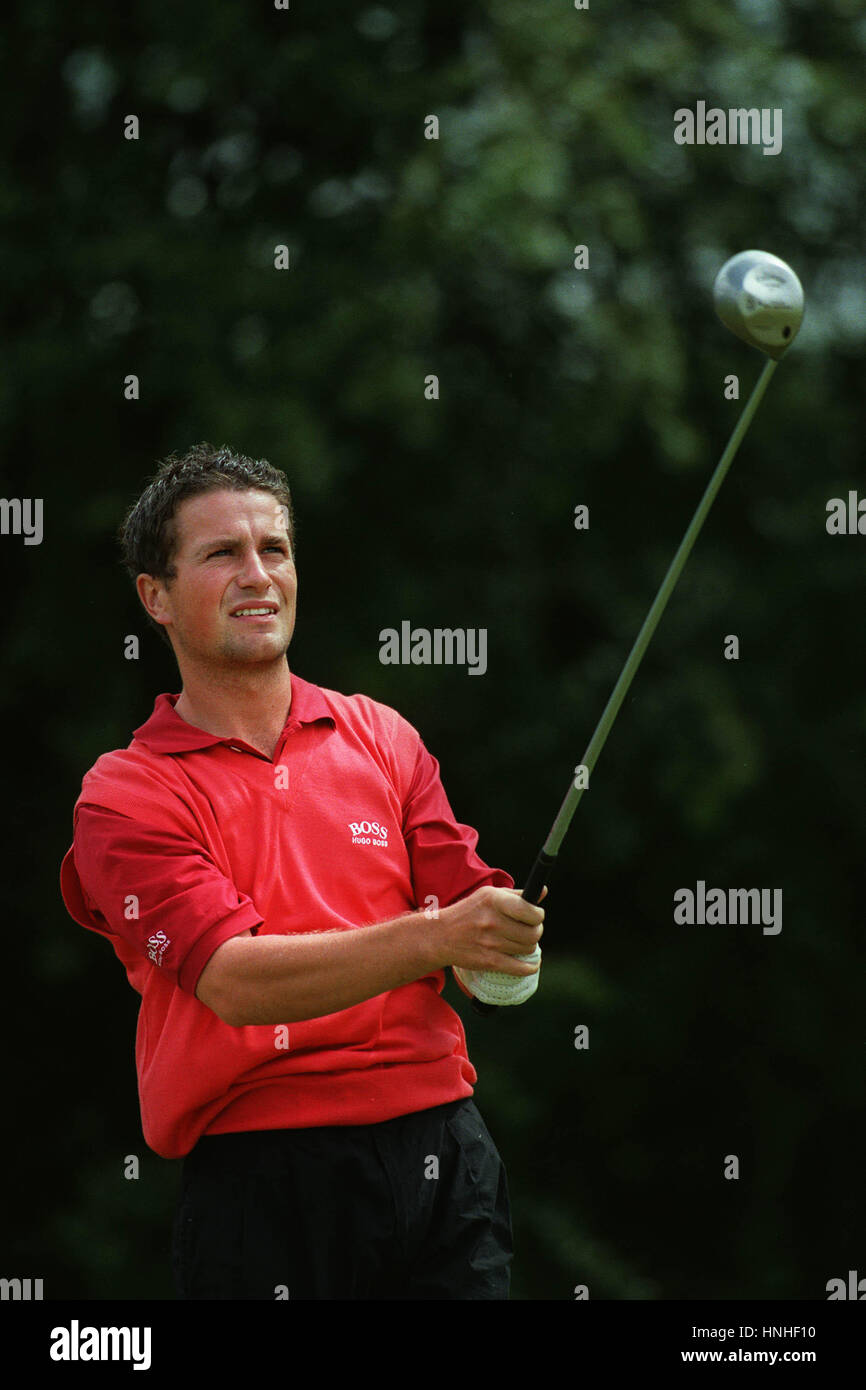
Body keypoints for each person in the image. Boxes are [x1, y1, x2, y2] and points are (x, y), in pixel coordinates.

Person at [59, 443, 545, 1301]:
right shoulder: (125, 793)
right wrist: (440, 935)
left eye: (273, 549)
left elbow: (473, 925)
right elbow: (235, 982)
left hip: (443, 1154)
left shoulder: (383, 737)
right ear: (155, 597)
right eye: (221, 553)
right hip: (263, 1178)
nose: (257, 574)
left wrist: (504, 943)